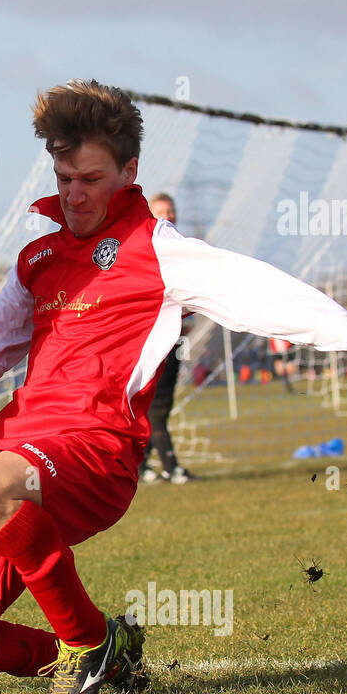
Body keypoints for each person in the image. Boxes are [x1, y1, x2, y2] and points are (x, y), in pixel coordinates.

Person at [0, 81, 347, 694]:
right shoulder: (37, 258)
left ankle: (85, 643)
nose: (73, 194)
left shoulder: (159, 250)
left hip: (95, 451)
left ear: (129, 171)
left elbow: (253, 290)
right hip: (16, 453)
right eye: (63, 176)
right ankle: (112, 649)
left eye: (91, 179)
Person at [139, 192, 195, 484]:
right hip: (152, 344)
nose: (168, 216)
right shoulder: (147, 251)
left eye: (171, 211)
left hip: (175, 343)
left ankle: (142, 466)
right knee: (156, 407)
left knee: (159, 405)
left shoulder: (182, 250)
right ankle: (172, 468)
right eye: (160, 212)